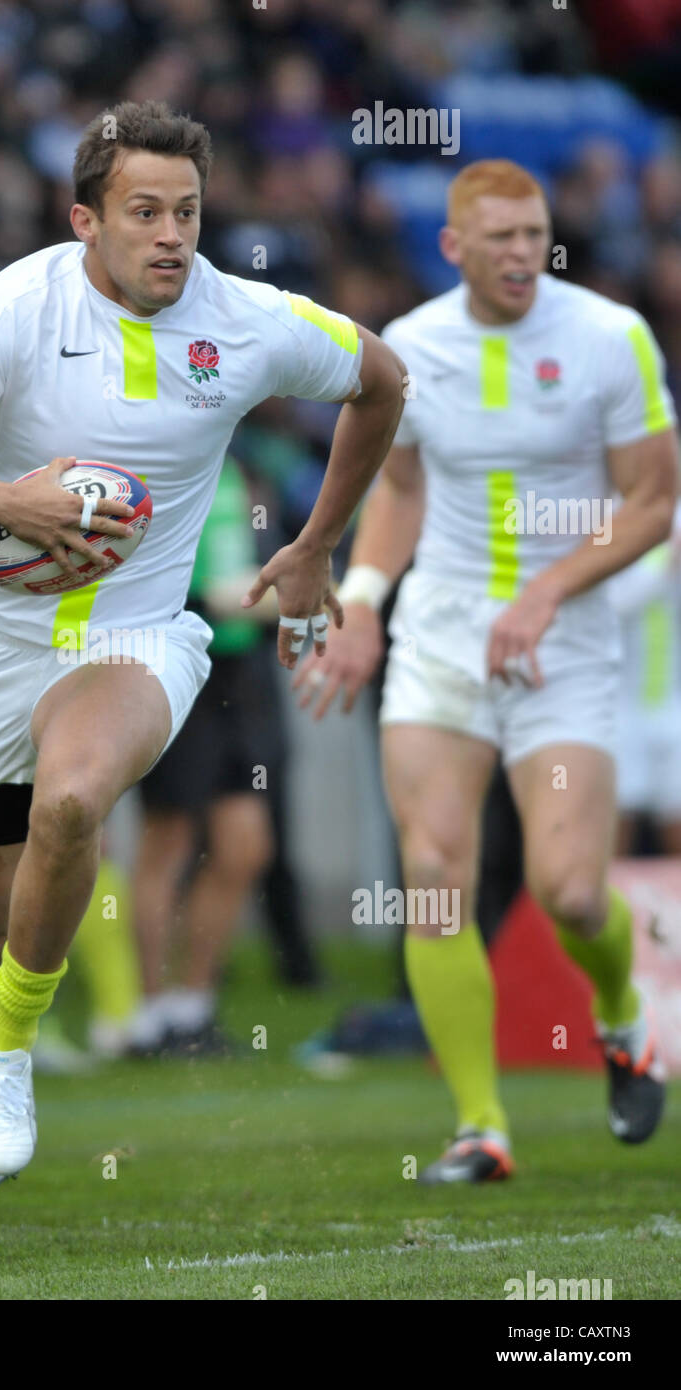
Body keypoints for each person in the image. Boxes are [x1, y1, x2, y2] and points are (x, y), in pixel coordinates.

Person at [0, 99, 405, 1248]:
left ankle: (11, 1051)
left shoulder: (247, 320)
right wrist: (7, 501)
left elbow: (382, 383)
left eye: (187, 212)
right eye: (143, 211)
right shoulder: (10, 307)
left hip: (136, 638)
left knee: (76, 796)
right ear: (83, 220)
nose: (171, 235)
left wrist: (315, 544)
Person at [297, 159, 678, 1183]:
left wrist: (551, 587)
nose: (522, 253)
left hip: (565, 645)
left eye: (534, 233)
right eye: (499, 237)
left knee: (569, 893)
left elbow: (651, 502)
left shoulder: (609, 336)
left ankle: (621, 1015)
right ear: (452, 246)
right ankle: (478, 1125)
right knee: (432, 877)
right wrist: (366, 599)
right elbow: (401, 488)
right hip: (444, 638)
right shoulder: (411, 348)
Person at [129, 455, 285, 1057]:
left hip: (240, 672)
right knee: (168, 838)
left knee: (246, 845)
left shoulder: (245, 470)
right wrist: (202, 597)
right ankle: (149, 1014)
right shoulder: (158, 463)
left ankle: (192, 1005)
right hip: (174, 661)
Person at [609, 504, 681, 856]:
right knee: (616, 830)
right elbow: (611, 602)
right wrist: (667, 568)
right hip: (620, 710)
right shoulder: (609, 518)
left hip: (673, 706)